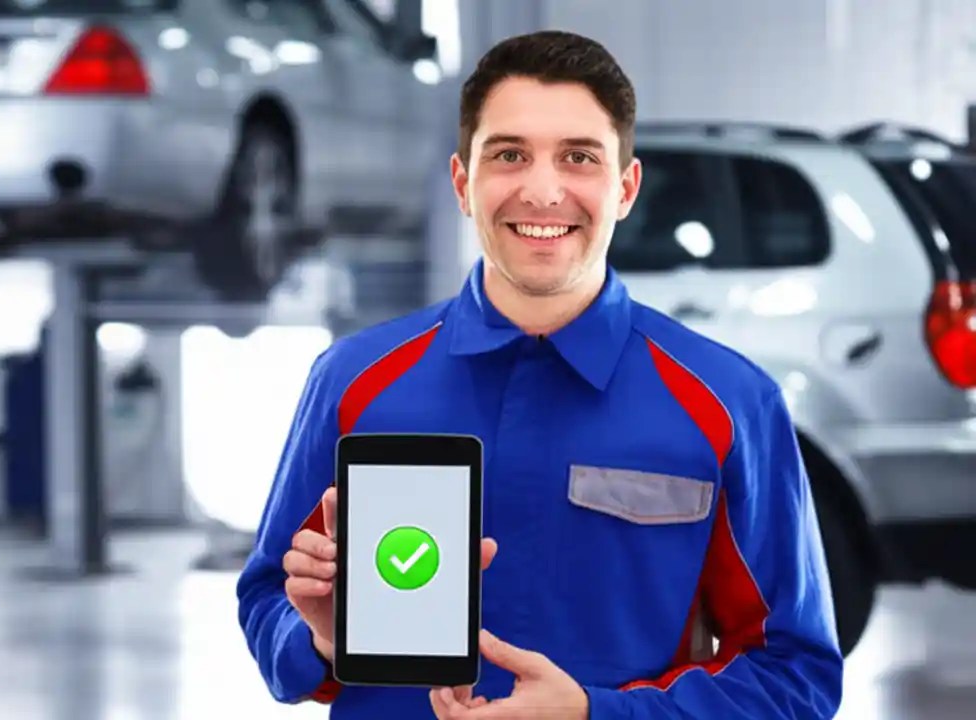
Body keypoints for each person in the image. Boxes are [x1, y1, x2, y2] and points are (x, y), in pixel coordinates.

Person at [236, 29, 843, 719]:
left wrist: (594, 713)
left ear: (625, 187)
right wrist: (318, 639)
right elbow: (265, 602)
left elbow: (794, 678)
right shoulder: (353, 381)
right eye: (509, 155)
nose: (543, 189)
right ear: (464, 182)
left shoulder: (729, 405)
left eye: (579, 157)